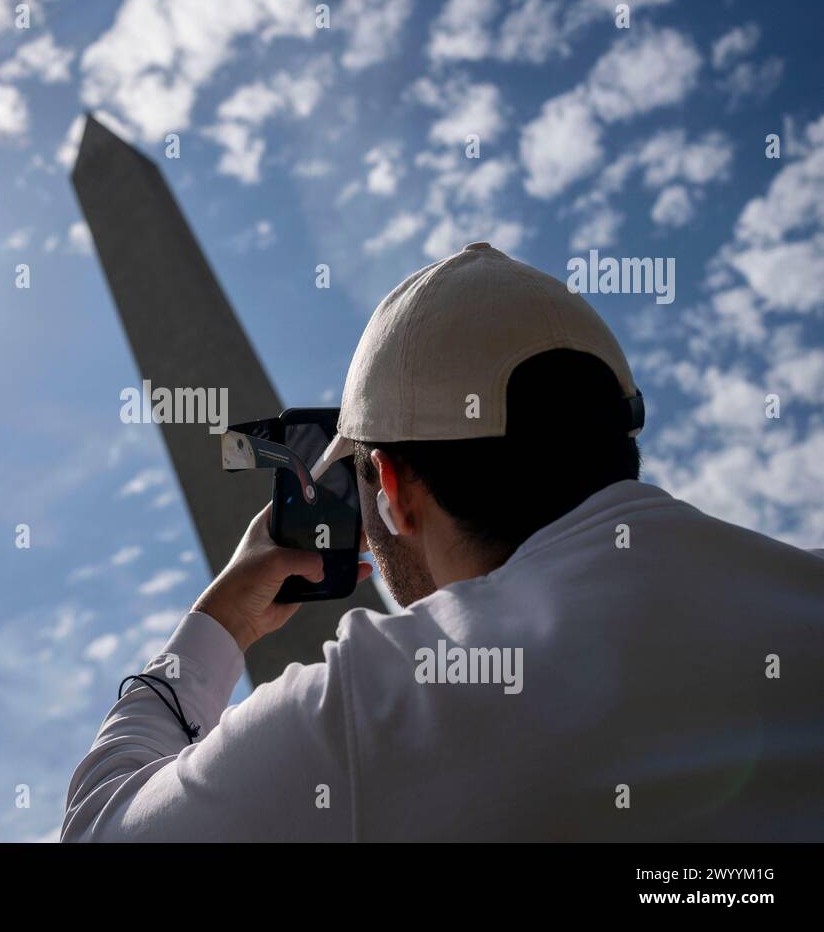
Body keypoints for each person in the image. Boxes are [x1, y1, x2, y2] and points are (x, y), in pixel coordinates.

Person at [61, 242, 824, 842]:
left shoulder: (371, 707)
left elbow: (99, 831)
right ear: (620, 440)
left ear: (391, 487)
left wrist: (222, 617)